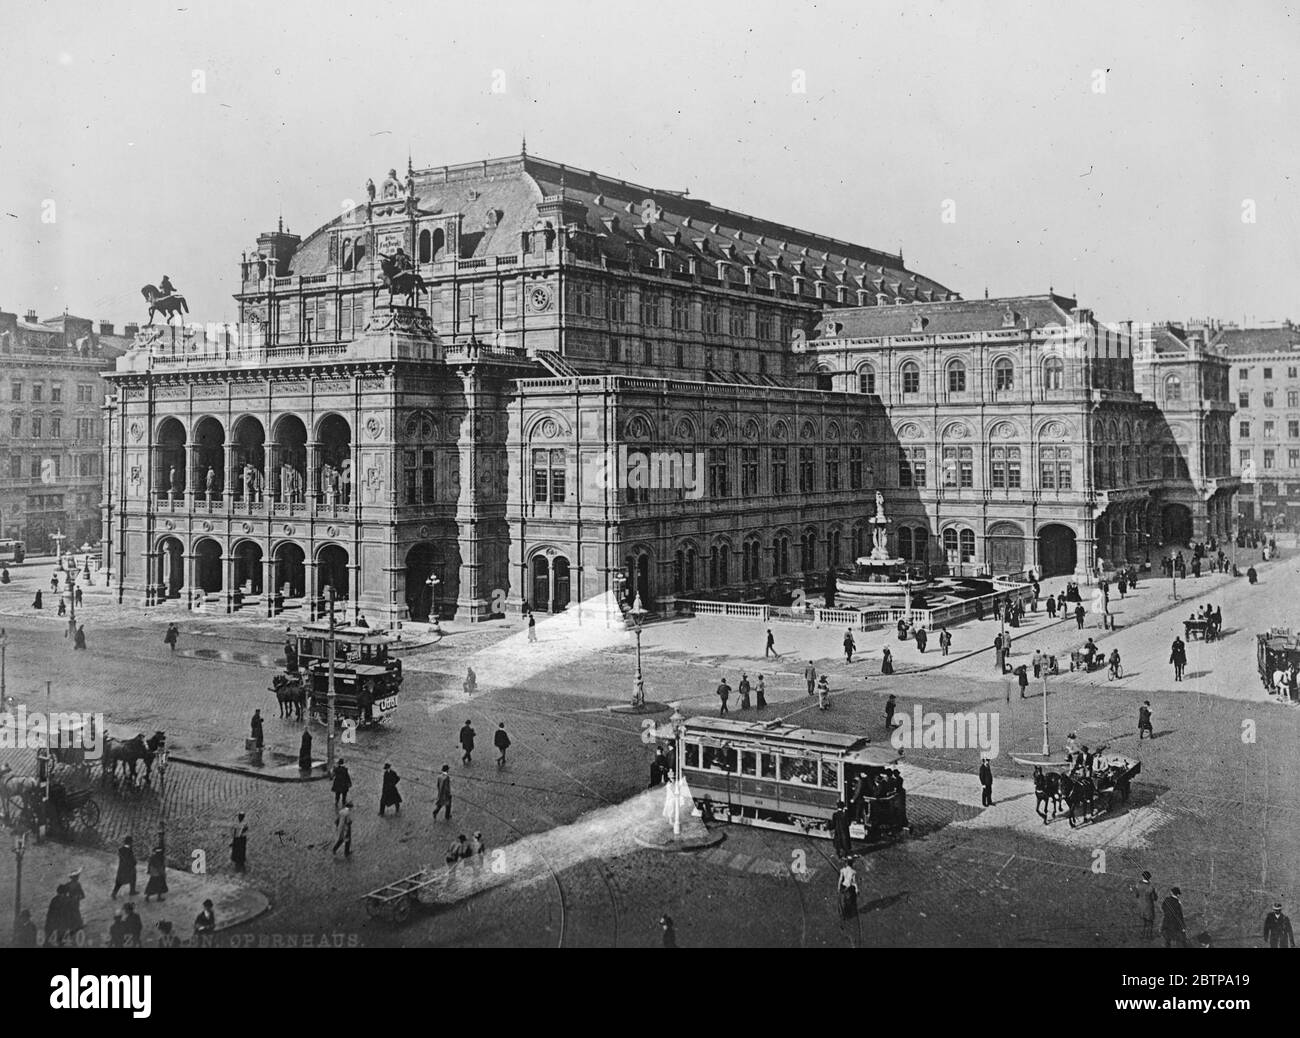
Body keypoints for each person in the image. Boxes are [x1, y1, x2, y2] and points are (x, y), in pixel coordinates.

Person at [1134, 871, 1158, 939]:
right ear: (1149, 878)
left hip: (1141, 905)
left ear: (1143, 876)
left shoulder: (1138, 884)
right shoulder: (1151, 886)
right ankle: (1149, 936)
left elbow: (1136, 895)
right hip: (1149, 906)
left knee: (1143, 921)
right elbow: (1155, 898)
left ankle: (1142, 935)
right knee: (1150, 922)